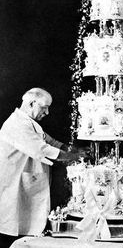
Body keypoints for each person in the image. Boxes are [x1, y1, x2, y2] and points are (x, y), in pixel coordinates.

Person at [0, 87, 90, 248]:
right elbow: (42, 149)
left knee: (29, 228)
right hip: (15, 185)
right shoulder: (16, 125)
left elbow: (50, 141)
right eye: (44, 107)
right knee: (14, 231)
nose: (47, 112)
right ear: (31, 103)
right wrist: (73, 157)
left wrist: (72, 149)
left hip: (27, 183)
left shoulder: (29, 123)